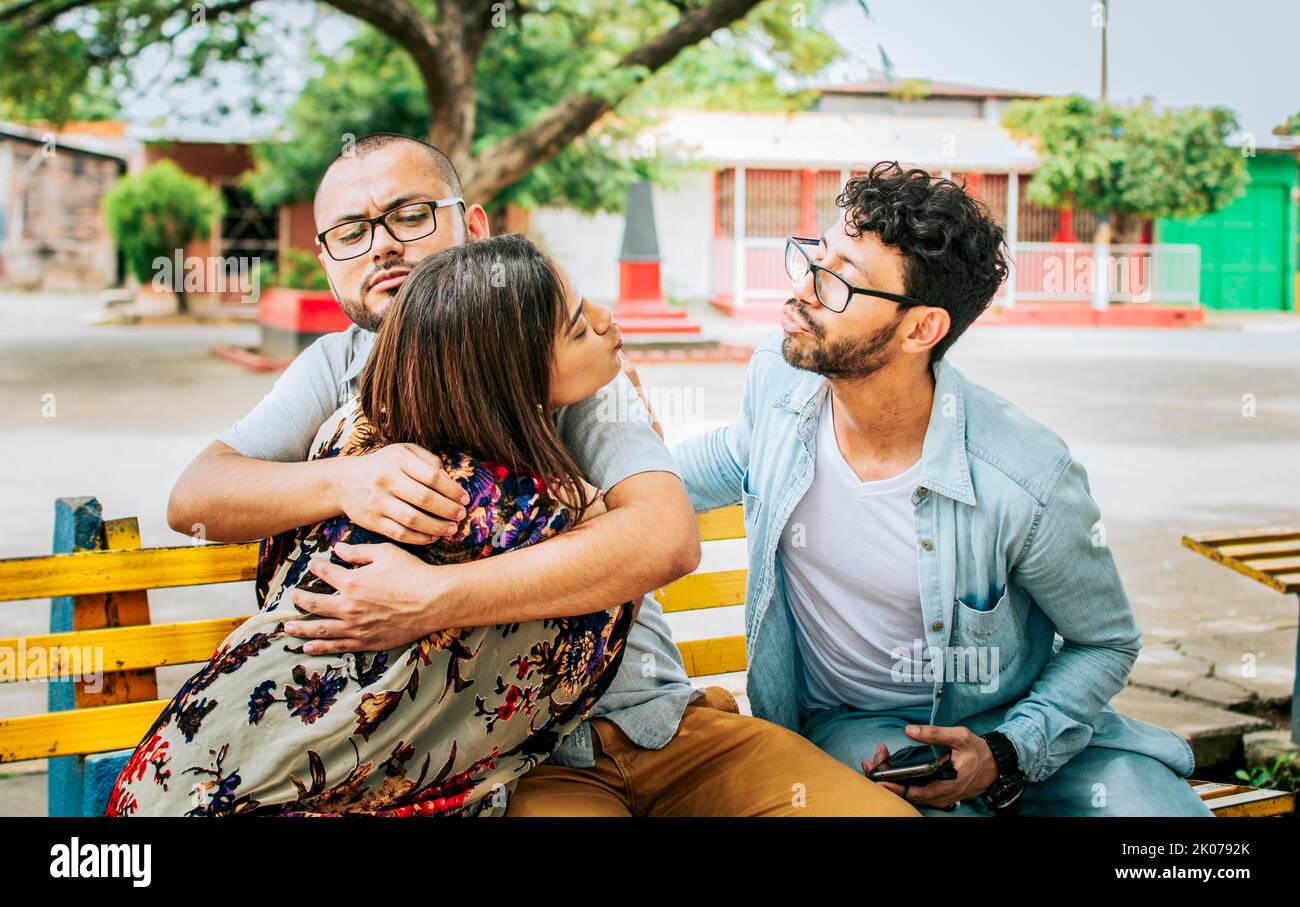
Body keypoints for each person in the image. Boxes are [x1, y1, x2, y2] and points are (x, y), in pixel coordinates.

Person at [163, 132, 917, 817]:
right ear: (326, 261)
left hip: (661, 721)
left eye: (411, 215)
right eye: (351, 233)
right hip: (516, 764)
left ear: (476, 228)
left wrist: (429, 597)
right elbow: (196, 494)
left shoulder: (569, 358)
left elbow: (663, 537)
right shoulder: (334, 372)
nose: (383, 247)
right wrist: (344, 482)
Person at [671, 161, 1214, 817]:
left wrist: (1008, 749)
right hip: (862, 733)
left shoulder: (1023, 474)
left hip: (1030, 729)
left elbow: (1106, 642)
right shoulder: (780, 380)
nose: (805, 291)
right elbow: (734, 455)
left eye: (839, 281)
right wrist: (587, 487)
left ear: (921, 329)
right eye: (815, 259)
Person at [107, 235, 639, 816]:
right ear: (513, 376)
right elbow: (647, 543)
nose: (607, 320)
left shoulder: (355, 432)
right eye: (579, 328)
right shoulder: (511, 511)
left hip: (180, 768)